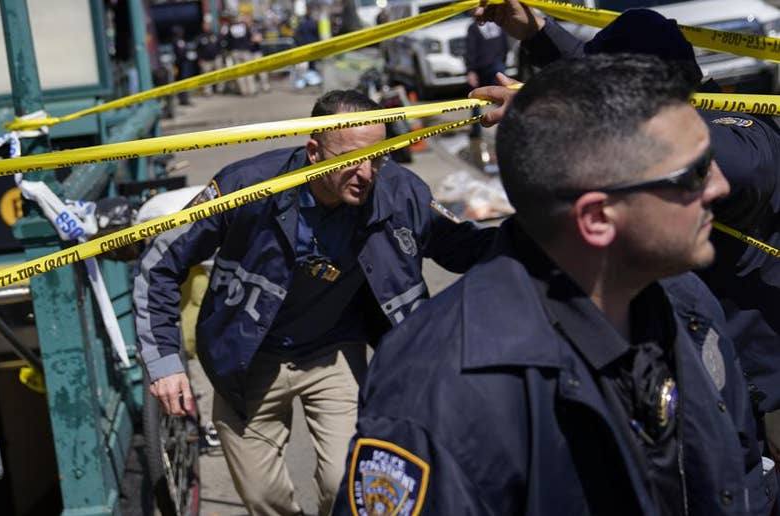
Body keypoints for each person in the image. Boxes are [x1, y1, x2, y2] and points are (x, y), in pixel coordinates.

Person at [333, 54, 774, 515]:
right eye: (694, 172)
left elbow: (736, 471)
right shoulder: (438, 389)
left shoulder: (686, 304)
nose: (720, 186)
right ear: (597, 218)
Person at [134, 90, 488, 515]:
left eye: (377, 157)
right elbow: (159, 261)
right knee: (263, 498)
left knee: (349, 484)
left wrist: (543, 229)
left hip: (333, 351)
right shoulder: (246, 186)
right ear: (315, 152)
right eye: (351, 159)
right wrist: (165, 364)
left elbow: (463, 245)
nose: (365, 173)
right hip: (244, 358)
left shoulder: (398, 192)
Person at [472, 1, 780, 475]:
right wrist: (537, 30)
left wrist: (570, 114)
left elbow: (733, 166)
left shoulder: (743, 132)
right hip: (701, 374)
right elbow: (610, 84)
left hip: (765, 383)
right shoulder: (661, 112)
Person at [464, 10, 508, 172]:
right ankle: (476, 127)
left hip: (494, 65)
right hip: (483, 67)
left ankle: (505, 126)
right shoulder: (474, 29)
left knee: (501, 98)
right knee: (476, 99)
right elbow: (471, 50)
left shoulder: (495, 26)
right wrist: (471, 70)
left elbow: (504, 43)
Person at [225, 14, 258, 96]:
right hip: (245, 51)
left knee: (240, 73)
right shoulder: (244, 27)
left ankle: (244, 91)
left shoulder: (230, 28)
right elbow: (251, 37)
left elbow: (227, 40)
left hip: (235, 52)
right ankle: (251, 90)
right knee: (249, 71)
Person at [195, 19, 224, 96]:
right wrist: (200, 59)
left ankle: (220, 89)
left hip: (216, 58)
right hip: (205, 60)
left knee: (220, 74)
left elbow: (220, 45)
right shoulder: (200, 37)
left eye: (208, 25)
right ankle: (208, 92)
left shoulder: (214, 35)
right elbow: (197, 49)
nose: (206, 27)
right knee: (207, 77)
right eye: (205, 26)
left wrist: (220, 55)